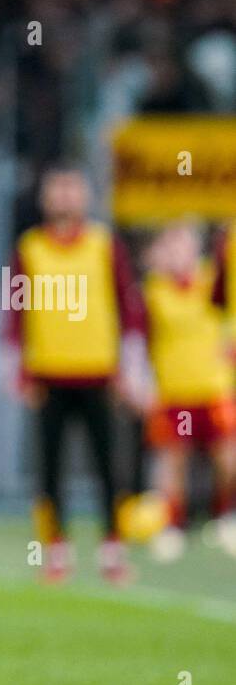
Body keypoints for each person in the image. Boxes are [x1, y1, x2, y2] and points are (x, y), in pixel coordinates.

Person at [1, 165, 147, 584]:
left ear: (85, 196)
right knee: (49, 470)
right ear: (45, 198)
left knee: (109, 468)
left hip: (99, 373)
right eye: (57, 190)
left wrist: (131, 368)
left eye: (72, 189)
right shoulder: (29, 248)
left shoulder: (104, 245)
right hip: (48, 374)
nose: (65, 198)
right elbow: (15, 311)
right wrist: (15, 369)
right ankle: (55, 552)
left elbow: (129, 308)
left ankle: (113, 551)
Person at [140, 222, 236, 560]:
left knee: (227, 458)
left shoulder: (215, 280)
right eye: (171, 245)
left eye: (182, 244)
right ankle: (173, 526)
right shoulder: (154, 291)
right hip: (175, 393)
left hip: (213, 389)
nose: (177, 253)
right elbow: (143, 340)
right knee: (174, 461)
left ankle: (225, 516)